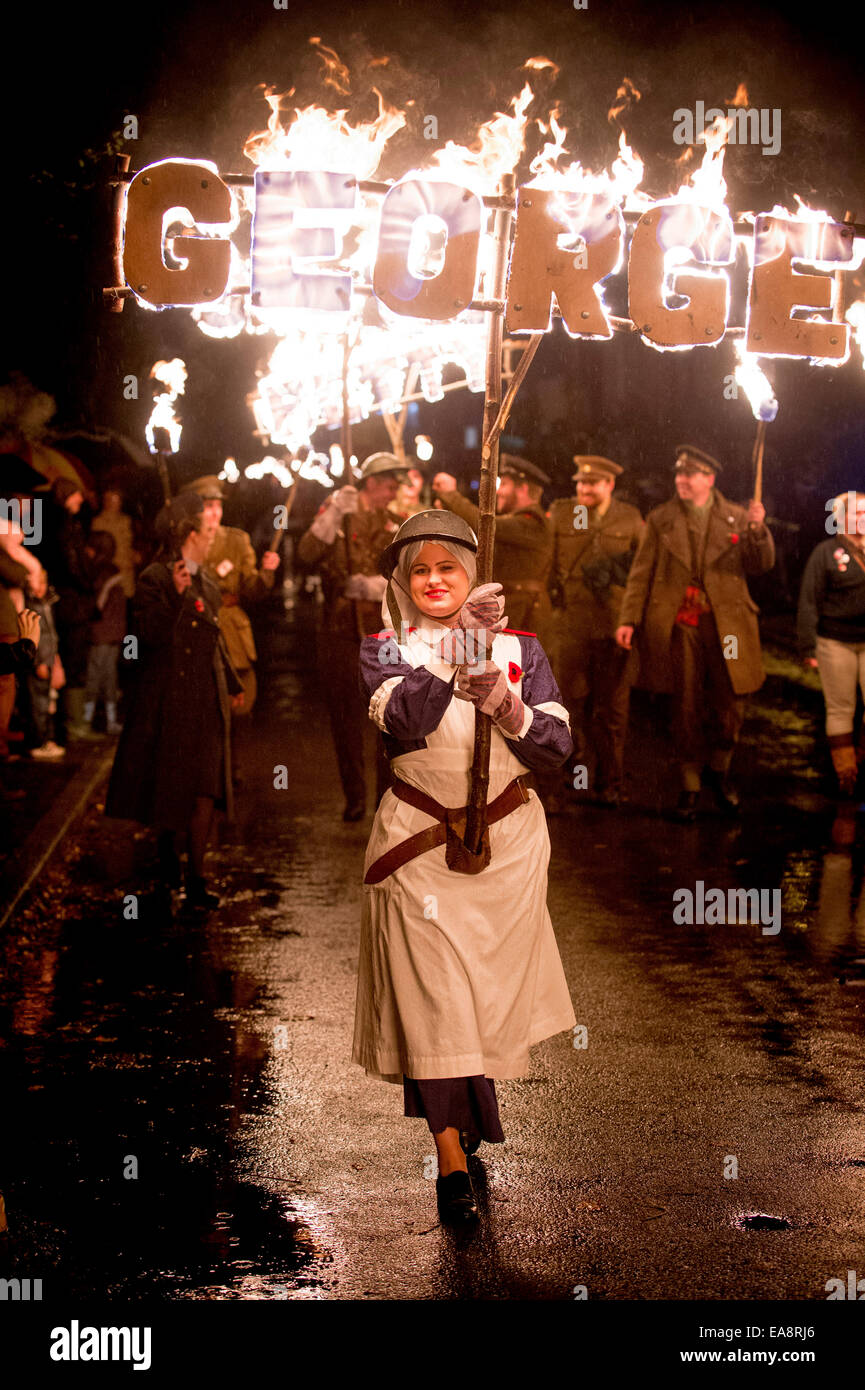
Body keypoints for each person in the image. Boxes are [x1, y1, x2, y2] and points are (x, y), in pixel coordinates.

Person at [352, 509, 576, 1225]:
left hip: (506, 854)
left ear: (473, 572)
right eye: (419, 570)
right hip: (418, 850)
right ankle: (449, 1158)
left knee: (473, 1007)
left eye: (448, 567)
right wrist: (455, 653)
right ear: (401, 580)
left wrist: (507, 704)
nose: (434, 581)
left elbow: (556, 749)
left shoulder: (522, 647)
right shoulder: (382, 648)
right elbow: (405, 721)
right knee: (434, 1001)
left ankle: (467, 1111)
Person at [616, 445, 775, 820]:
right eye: (679, 474)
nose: (681, 481)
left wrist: (758, 530)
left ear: (709, 479)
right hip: (681, 624)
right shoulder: (661, 519)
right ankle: (689, 782)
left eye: (690, 475)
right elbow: (642, 573)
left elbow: (761, 565)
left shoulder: (738, 516)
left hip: (728, 627)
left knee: (731, 701)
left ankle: (719, 768)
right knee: (684, 703)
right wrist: (628, 619)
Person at [104, 504, 244, 910]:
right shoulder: (155, 579)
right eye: (204, 531)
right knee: (170, 791)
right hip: (171, 700)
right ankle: (168, 872)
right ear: (187, 537)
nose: (211, 536)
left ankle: (197, 880)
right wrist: (177, 598)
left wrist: (231, 683)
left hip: (205, 700)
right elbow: (147, 637)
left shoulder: (208, 584)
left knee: (204, 791)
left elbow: (213, 641)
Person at [297, 453, 406, 821]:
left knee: (386, 717)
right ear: (371, 482)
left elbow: (406, 569)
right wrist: (331, 516)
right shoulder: (338, 509)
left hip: (382, 632)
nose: (392, 493)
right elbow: (306, 554)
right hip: (339, 628)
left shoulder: (394, 520)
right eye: (389, 485)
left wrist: (382, 586)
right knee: (344, 719)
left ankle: (384, 798)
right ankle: (355, 797)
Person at [546, 456, 644, 807]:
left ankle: (611, 782)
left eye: (593, 484)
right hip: (570, 624)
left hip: (613, 628)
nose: (584, 489)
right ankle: (574, 775)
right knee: (568, 705)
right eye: (580, 483)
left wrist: (633, 619)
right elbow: (548, 564)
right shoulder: (562, 513)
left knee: (611, 710)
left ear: (609, 485)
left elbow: (642, 570)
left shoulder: (630, 518)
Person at [178, 475, 280, 723]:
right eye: (207, 506)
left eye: (218, 506)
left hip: (231, 631)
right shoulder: (182, 541)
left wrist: (267, 572)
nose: (214, 513)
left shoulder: (236, 540)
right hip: (195, 628)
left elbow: (252, 590)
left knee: (239, 708)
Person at [432, 456, 554, 636]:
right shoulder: (520, 523)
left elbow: (486, 525)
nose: (498, 492)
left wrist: (451, 495)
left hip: (526, 618)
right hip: (513, 612)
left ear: (523, 489)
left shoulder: (534, 523)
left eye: (504, 484)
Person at [797, 491, 865, 795]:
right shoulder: (826, 552)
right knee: (841, 708)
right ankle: (846, 775)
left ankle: (860, 759)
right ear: (842, 517)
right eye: (857, 513)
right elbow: (809, 601)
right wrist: (808, 646)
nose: (863, 519)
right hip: (834, 641)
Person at [82, 530, 126, 736]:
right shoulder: (115, 570)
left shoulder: (99, 572)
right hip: (115, 633)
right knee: (110, 679)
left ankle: (86, 721)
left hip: (100, 633)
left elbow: (97, 605)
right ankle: (111, 720)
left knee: (93, 678)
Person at [23, 564, 65, 759]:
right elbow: (35, 637)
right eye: (36, 582)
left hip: (49, 659)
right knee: (39, 703)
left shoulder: (47, 605)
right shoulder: (32, 606)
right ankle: (38, 741)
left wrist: (55, 661)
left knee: (48, 702)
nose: (40, 587)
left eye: (43, 582)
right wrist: (38, 661)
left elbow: (52, 635)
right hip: (41, 660)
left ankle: (47, 739)